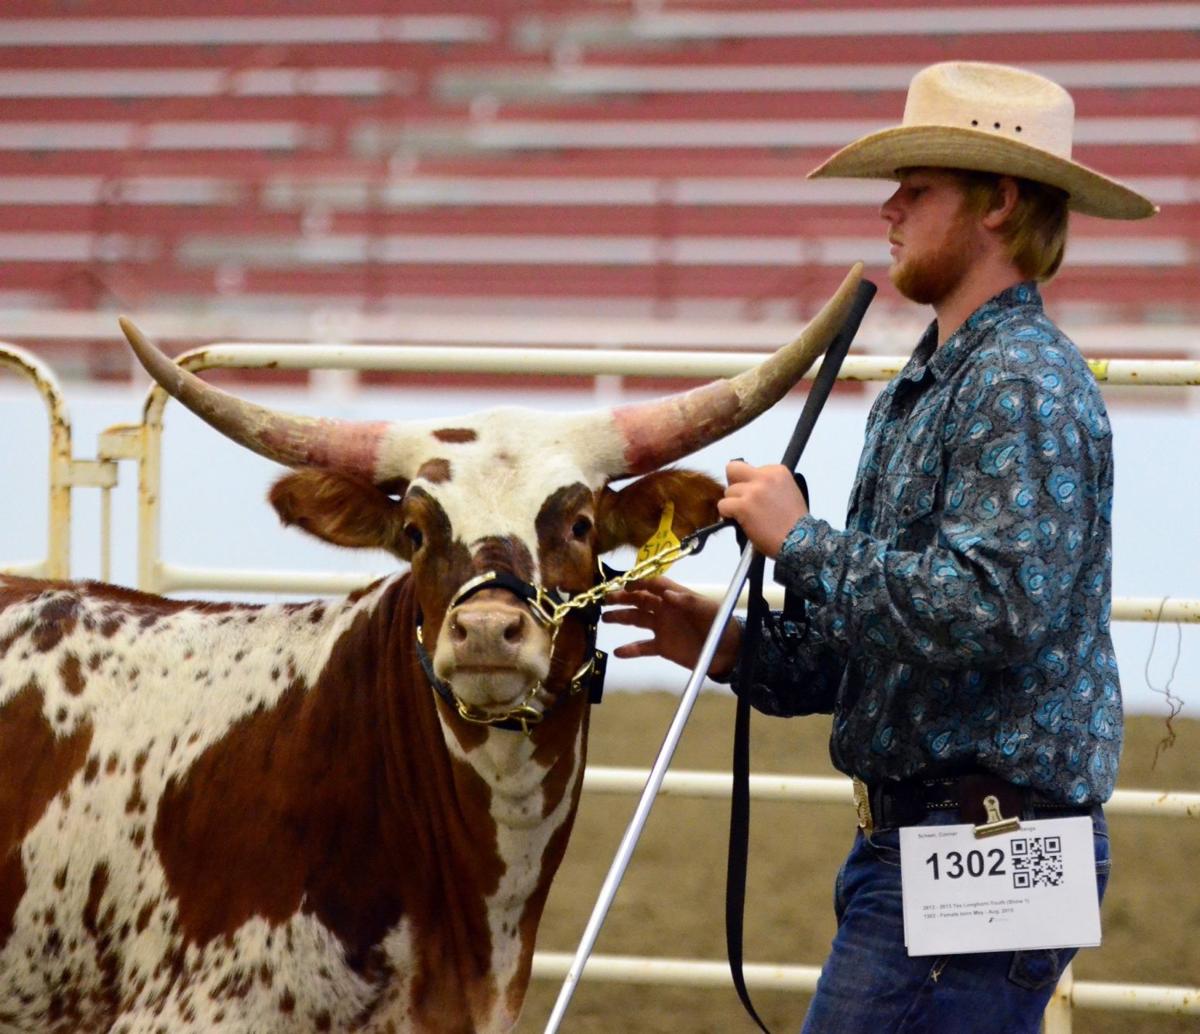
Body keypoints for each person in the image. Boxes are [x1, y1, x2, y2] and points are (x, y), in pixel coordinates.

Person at [605, 61, 1156, 1033]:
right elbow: (885, 640)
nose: (890, 207)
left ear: (1001, 204)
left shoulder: (1018, 383)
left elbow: (991, 613)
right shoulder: (941, 378)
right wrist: (736, 646)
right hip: (943, 839)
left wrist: (804, 542)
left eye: (920, 185)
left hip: (980, 839)